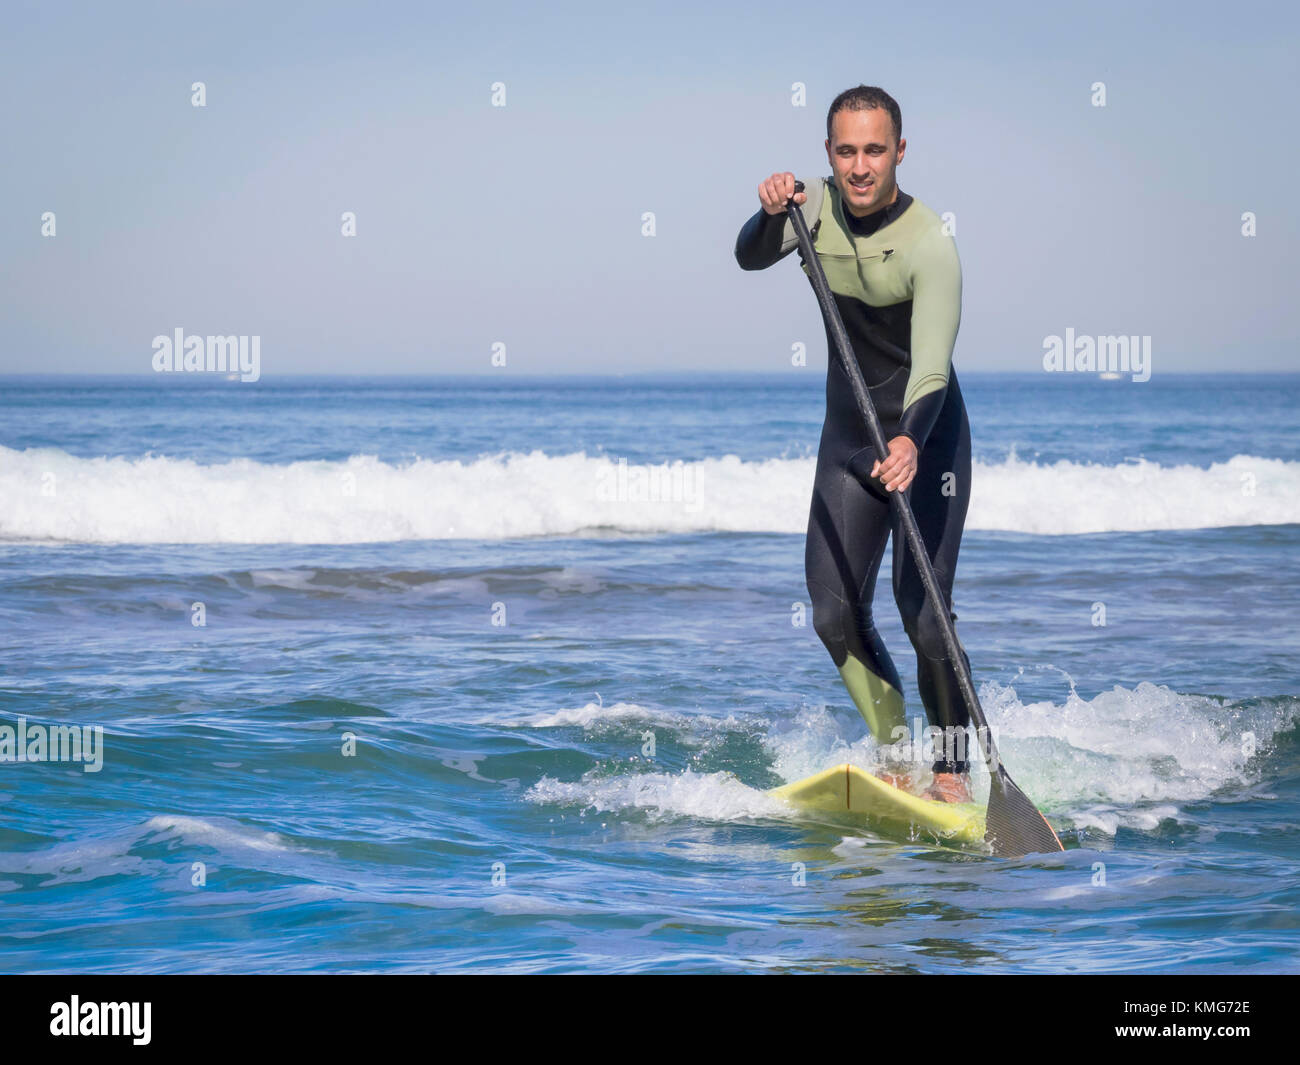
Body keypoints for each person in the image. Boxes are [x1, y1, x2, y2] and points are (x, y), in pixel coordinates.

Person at [734, 85, 974, 803]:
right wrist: (769, 209)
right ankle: (896, 751)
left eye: (875, 149)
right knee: (833, 612)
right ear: (829, 153)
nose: (861, 166)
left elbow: (931, 365)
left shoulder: (931, 242)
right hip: (847, 438)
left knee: (923, 609)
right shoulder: (810, 210)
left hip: (924, 437)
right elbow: (748, 257)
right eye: (846, 151)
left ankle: (953, 770)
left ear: (900, 150)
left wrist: (910, 439)